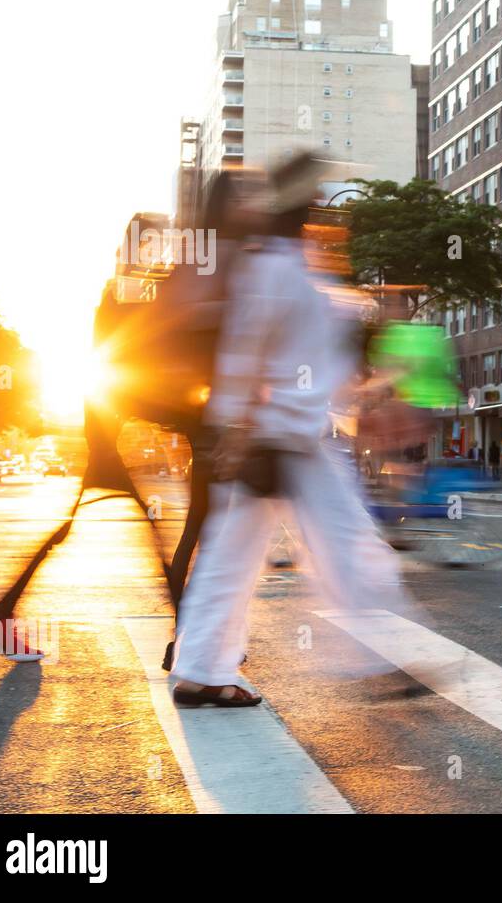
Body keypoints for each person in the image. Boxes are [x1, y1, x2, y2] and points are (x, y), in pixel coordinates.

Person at [170, 152, 402, 707]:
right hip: (279, 438)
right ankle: (378, 656)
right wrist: (232, 429)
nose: (331, 216)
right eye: (321, 204)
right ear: (303, 210)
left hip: (288, 435)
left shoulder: (297, 267)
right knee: (343, 541)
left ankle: (202, 669)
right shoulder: (276, 265)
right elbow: (245, 352)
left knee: (234, 554)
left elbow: (320, 353)